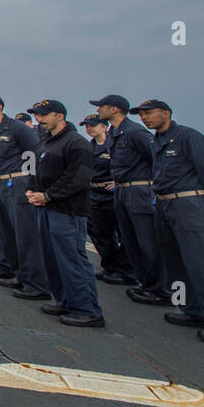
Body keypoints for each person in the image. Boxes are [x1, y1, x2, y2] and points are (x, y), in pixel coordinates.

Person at [134, 99, 204, 344]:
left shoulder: (188, 137)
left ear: (166, 113)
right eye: (142, 114)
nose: (145, 117)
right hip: (165, 204)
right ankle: (190, 309)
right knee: (175, 262)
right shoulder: (157, 141)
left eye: (149, 112)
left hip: (190, 205)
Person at [25, 100, 103, 326]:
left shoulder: (76, 143)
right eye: (37, 115)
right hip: (45, 208)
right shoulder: (46, 143)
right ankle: (64, 300)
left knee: (72, 259)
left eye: (44, 115)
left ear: (60, 116)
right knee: (52, 259)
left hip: (67, 211)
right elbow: (37, 170)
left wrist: (48, 195)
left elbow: (78, 178)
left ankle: (88, 310)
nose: (39, 119)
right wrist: (33, 190)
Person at [89, 94, 166, 307]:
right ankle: (145, 283)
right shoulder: (114, 133)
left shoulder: (135, 132)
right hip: (122, 191)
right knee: (131, 241)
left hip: (139, 192)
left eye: (101, 107)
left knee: (147, 242)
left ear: (114, 109)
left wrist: (153, 186)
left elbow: (157, 158)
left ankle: (161, 289)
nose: (98, 111)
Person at [0, 94, 50, 298]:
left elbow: (34, 154)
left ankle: (37, 284)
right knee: (6, 233)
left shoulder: (17, 128)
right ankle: (19, 274)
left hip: (16, 183)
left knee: (25, 235)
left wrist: (33, 184)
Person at [80, 113, 135, 285]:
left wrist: (119, 179)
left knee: (123, 233)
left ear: (104, 127)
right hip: (94, 193)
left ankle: (126, 270)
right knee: (100, 232)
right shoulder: (89, 147)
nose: (89, 129)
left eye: (93, 125)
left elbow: (130, 164)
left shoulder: (114, 146)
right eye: (87, 126)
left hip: (112, 194)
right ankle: (110, 266)